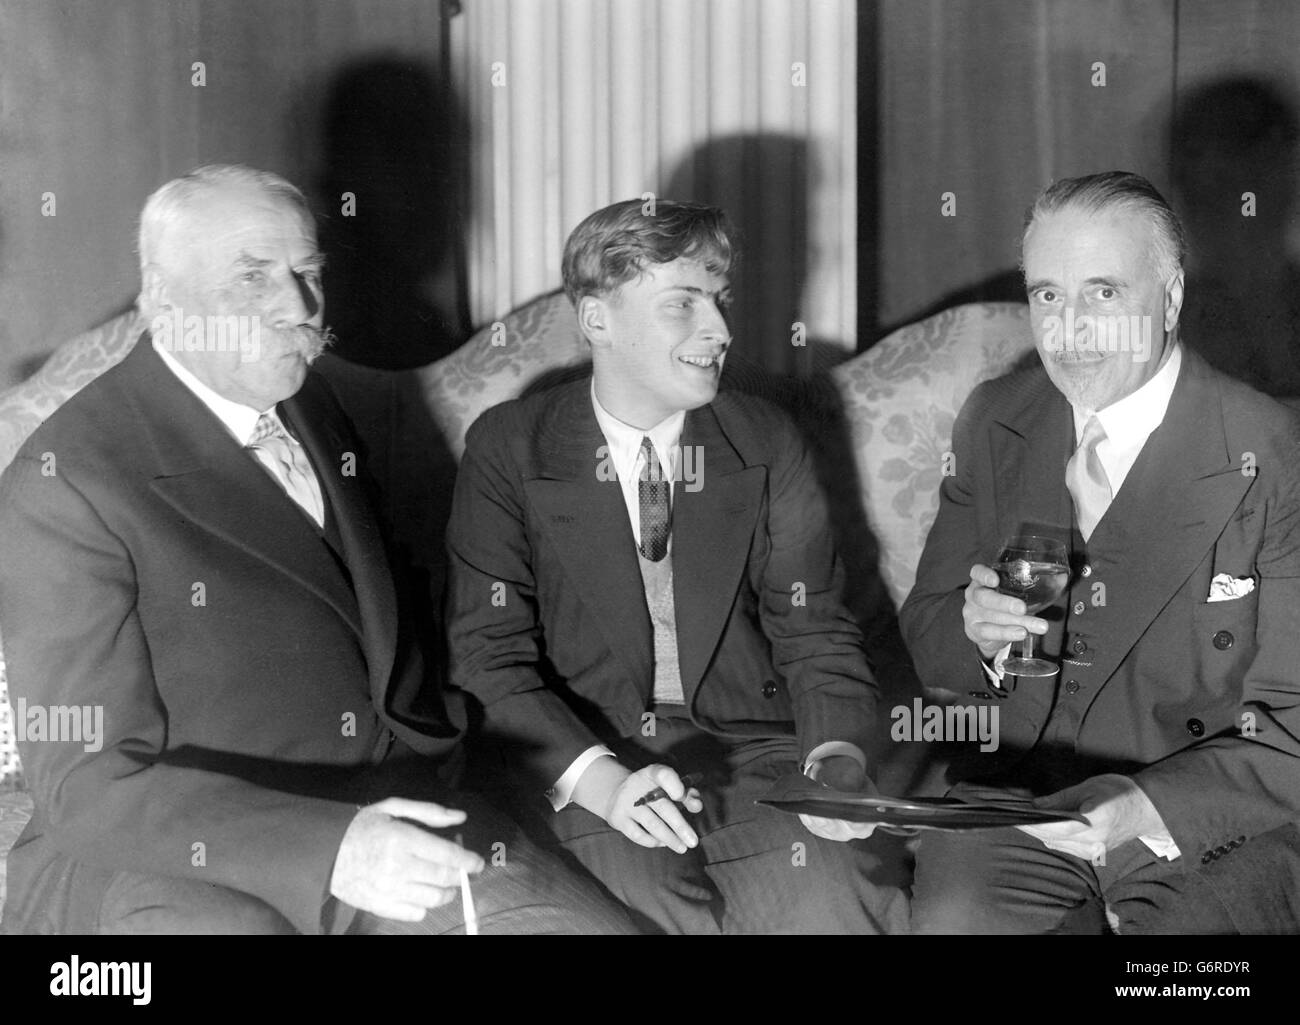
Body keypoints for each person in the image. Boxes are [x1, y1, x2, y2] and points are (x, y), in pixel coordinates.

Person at [0, 164, 631, 935]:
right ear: (164, 303)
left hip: (391, 810)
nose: (298, 307)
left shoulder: (306, 398)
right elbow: (87, 786)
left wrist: (543, 765)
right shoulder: (67, 481)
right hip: (170, 862)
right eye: (253, 278)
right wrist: (335, 845)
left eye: (307, 273)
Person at [444, 198, 909, 934]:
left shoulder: (764, 437)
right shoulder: (511, 447)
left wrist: (837, 753)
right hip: (591, 754)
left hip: (756, 752)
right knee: (652, 905)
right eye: (681, 304)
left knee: (836, 889)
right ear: (598, 320)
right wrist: (601, 781)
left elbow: (814, 627)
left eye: (719, 301)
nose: (719, 330)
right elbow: (485, 656)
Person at [900, 170, 1300, 934]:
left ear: (1170, 301)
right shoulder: (997, 422)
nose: (1070, 329)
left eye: (1103, 294)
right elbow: (928, 633)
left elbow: (1293, 722)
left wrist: (1140, 806)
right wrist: (975, 635)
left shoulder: (1273, 453)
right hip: (1022, 806)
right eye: (1048, 295)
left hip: (1209, 818)